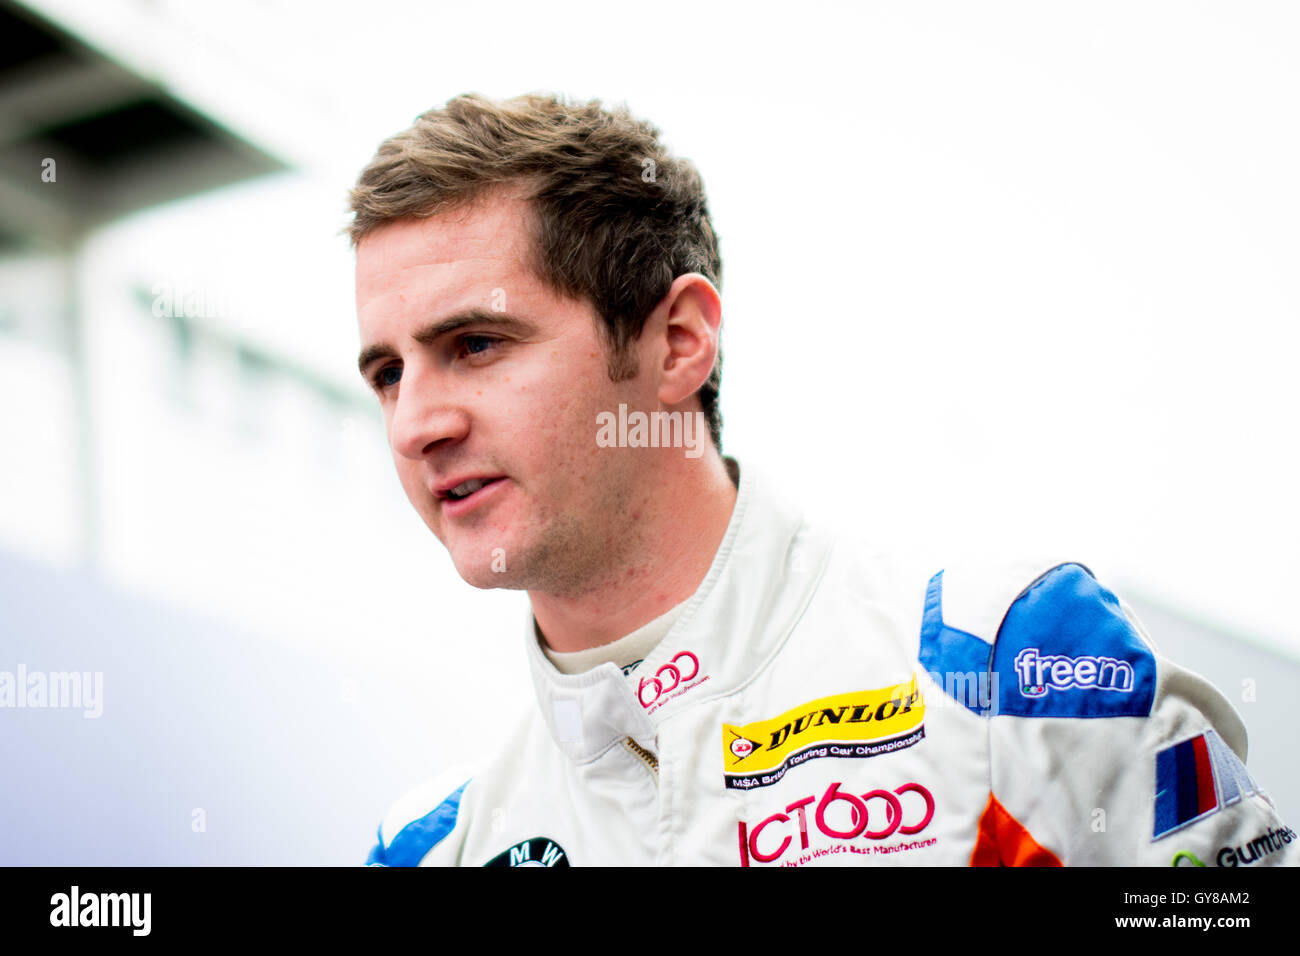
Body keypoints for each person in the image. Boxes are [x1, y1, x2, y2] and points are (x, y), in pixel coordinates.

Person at [349, 93, 1295, 867]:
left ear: (676, 342)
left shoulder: (1000, 666)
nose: (419, 423)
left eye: (476, 344)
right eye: (389, 373)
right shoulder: (438, 846)